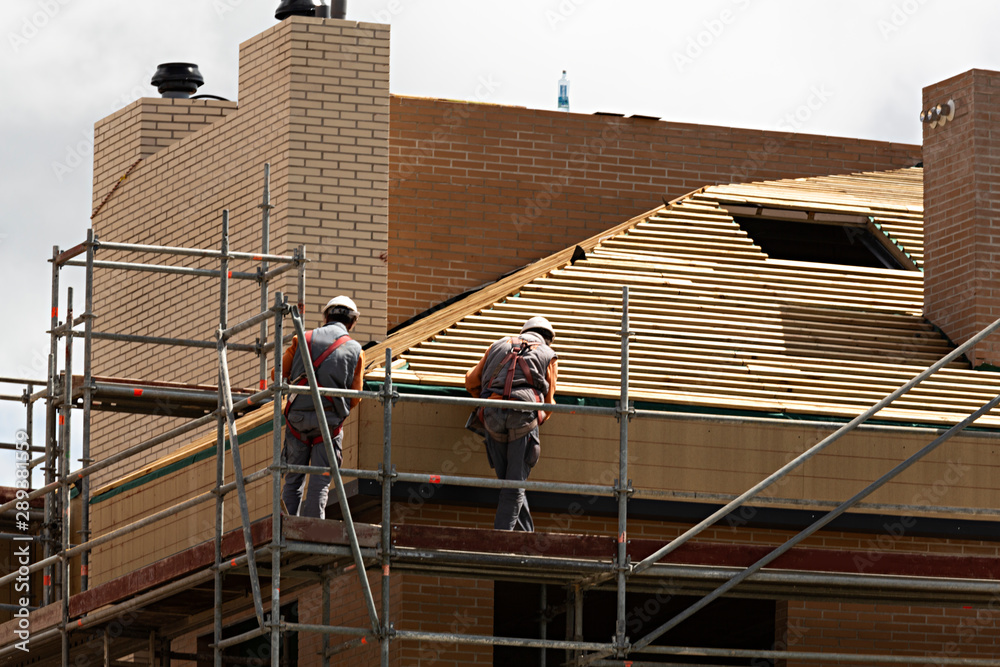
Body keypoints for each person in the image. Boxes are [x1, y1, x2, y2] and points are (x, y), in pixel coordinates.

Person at [465, 316, 558, 532]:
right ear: (548, 339)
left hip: (491, 416)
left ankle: (525, 538)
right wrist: (538, 418)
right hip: (523, 418)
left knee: (510, 484)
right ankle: (501, 542)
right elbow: (550, 403)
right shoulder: (549, 355)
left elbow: (470, 380)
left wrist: (487, 402)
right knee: (514, 487)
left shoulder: (497, 345)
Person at [279, 295, 364, 519]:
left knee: (294, 479)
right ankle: (313, 530)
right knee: (320, 481)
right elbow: (355, 398)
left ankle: (286, 527)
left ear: (326, 316)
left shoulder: (302, 339)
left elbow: (279, 372)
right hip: (328, 423)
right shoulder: (355, 350)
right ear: (352, 322)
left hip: (296, 419)